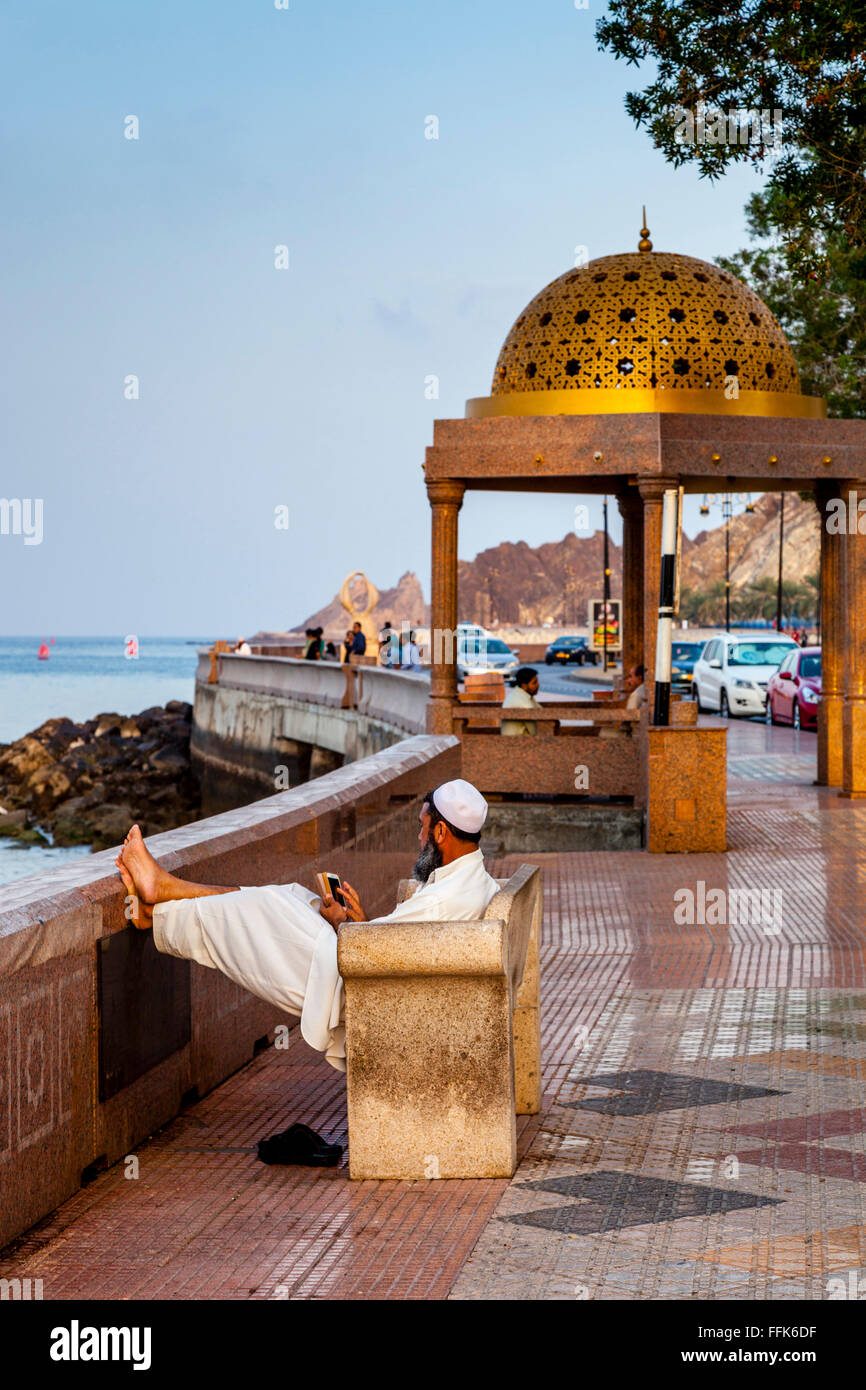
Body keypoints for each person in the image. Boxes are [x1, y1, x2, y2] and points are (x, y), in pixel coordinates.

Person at [114, 780, 497, 1076]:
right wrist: (358, 924)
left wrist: (344, 927)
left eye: (422, 828)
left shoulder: (444, 898)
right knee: (291, 898)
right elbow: (398, 943)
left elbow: (382, 952)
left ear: (441, 834)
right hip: (383, 978)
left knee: (268, 906)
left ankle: (160, 900)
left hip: (366, 992)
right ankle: (162, 896)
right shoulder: (470, 880)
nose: (419, 838)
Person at [501, 666, 540, 736]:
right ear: (524, 686)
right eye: (534, 683)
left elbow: (540, 710)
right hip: (515, 744)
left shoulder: (521, 694)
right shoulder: (524, 704)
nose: (538, 685)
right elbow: (535, 731)